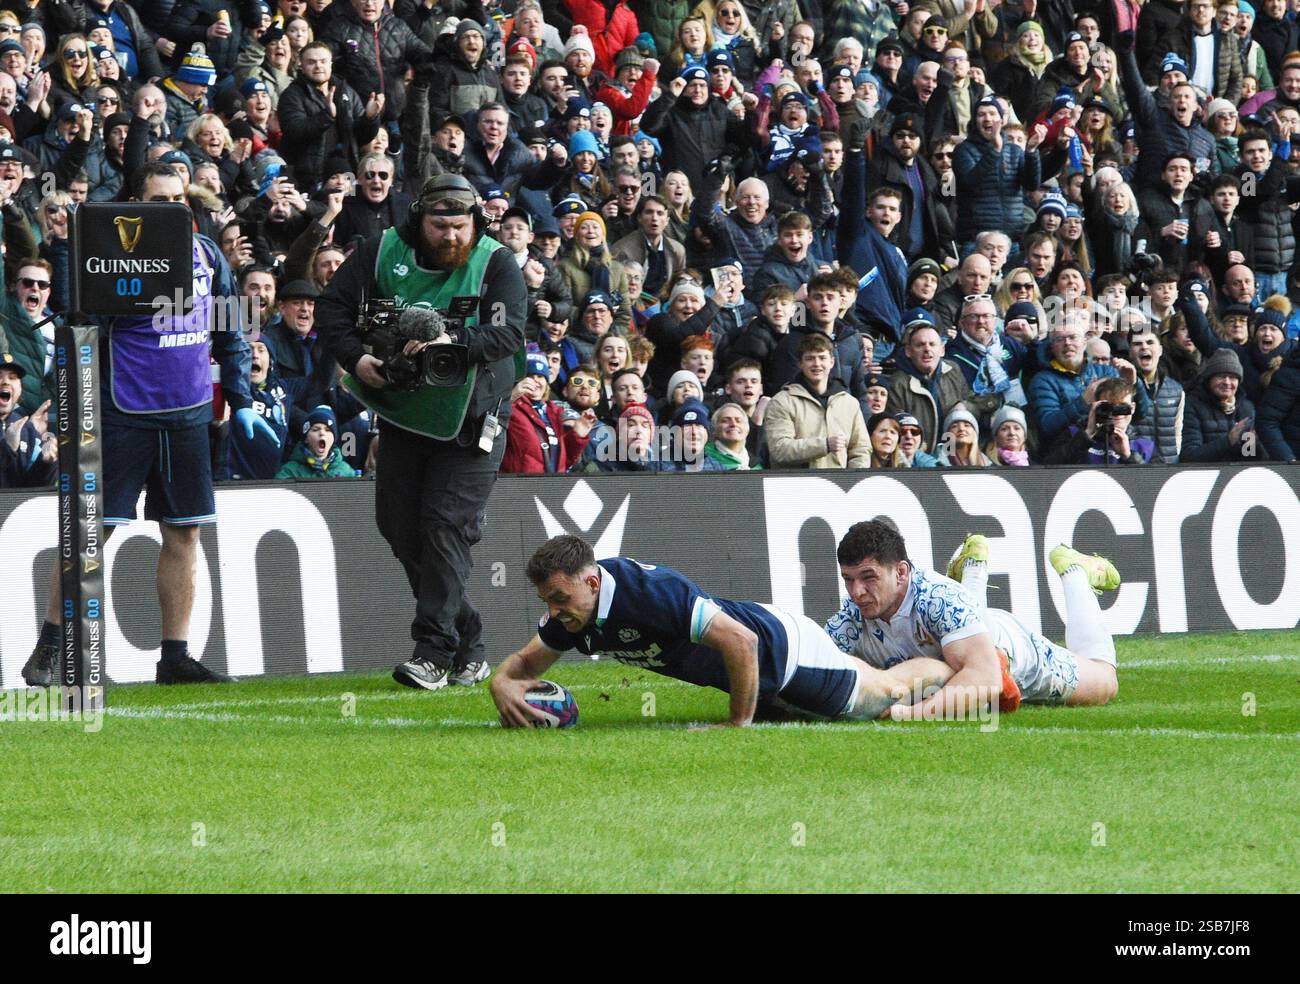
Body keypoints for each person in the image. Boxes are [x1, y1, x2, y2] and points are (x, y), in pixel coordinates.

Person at [21, 163, 265, 688]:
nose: (171, 210)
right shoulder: (109, 257)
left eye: (179, 200)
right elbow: (76, 320)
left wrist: (242, 398)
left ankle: (174, 657)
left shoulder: (208, 255)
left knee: (184, 530)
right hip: (121, 409)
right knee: (92, 530)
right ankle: (49, 643)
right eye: (158, 200)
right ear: (136, 203)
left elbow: (231, 330)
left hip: (190, 412)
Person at [316, 172, 526, 692]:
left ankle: (432, 652)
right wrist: (356, 357)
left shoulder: (495, 261)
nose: (452, 236)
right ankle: (469, 638)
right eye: (440, 226)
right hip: (405, 410)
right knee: (399, 529)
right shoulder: (382, 250)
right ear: (419, 221)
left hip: (474, 416)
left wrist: (446, 338)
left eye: (461, 226)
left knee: (444, 526)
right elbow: (332, 309)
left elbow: (508, 334)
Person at [489, 534, 952, 727]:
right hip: (760, 639)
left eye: (559, 599)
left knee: (881, 696)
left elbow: (740, 640)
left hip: (779, 652)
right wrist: (500, 685)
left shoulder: (649, 594)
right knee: (857, 675)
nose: (553, 611)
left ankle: (955, 670)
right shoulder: (574, 611)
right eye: (547, 601)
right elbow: (523, 664)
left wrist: (737, 723)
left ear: (592, 583)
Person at [825, 522, 1122, 718]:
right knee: (953, 647)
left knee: (1105, 682)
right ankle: (973, 568)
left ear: (901, 572)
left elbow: (986, 681)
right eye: (848, 580)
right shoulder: (849, 621)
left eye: (868, 578)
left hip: (1012, 654)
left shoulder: (937, 599)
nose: (857, 592)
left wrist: (909, 714)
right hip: (964, 632)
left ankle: (1074, 572)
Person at [764, 332, 869, 470]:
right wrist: (824, 445)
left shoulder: (849, 403)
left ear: (832, 362)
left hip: (839, 487)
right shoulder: (782, 401)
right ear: (800, 363)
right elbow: (780, 450)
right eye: (810, 358)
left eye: (822, 358)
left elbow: (861, 450)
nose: (817, 364)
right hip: (795, 487)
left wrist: (852, 479)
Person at [275, 404, 360, 478]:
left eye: (328, 430)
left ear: (334, 438)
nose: (322, 433)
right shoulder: (290, 471)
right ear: (306, 438)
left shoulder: (346, 471)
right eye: (315, 429)